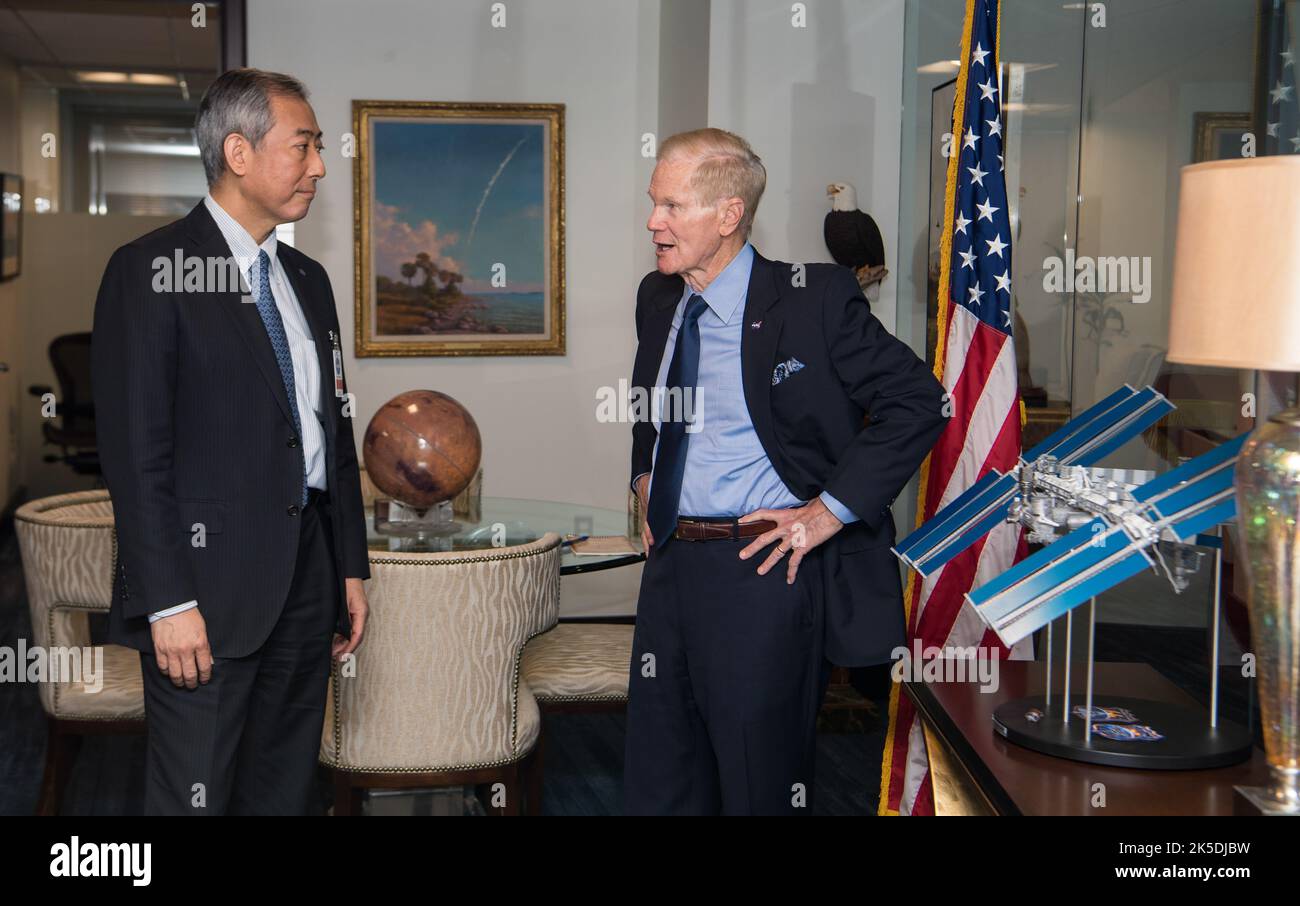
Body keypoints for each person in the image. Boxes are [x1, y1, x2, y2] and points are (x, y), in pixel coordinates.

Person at [625, 128, 948, 815]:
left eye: (672, 207)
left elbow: (919, 402)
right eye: (655, 204)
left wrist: (828, 510)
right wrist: (643, 475)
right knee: (663, 776)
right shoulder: (659, 299)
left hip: (762, 573)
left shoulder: (815, 300)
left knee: (757, 781)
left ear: (729, 213)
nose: (654, 221)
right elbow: (650, 406)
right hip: (668, 569)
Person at [92, 68, 370, 815]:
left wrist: (348, 564)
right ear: (238, 153)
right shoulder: (149, 271)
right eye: (304, 145)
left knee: (283, 792)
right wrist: (166, 601)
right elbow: (135, 459)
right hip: (204, 593)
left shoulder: (307, 278)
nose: (319, 164)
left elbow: (331, 432)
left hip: (308, 582)